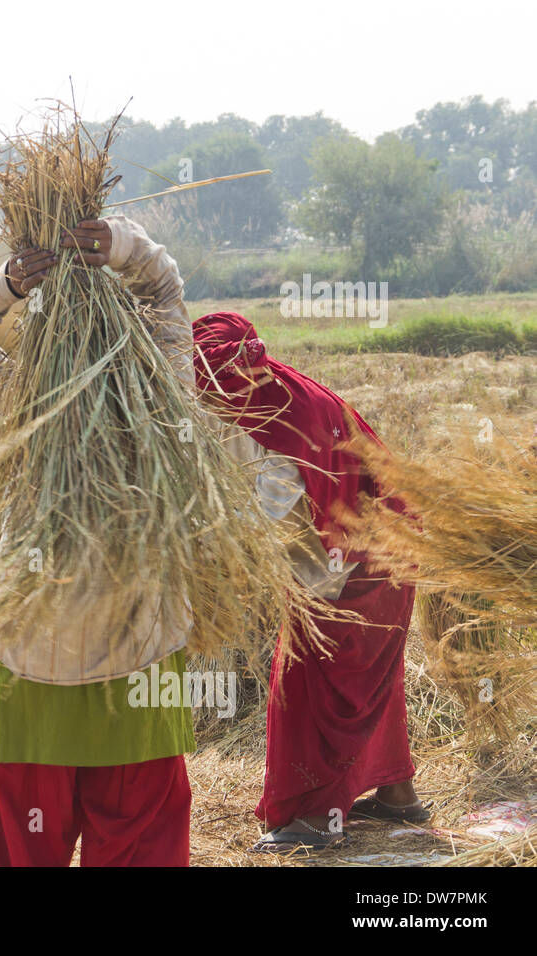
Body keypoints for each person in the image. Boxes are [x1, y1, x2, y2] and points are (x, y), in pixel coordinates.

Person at [0, 215, 198, 866]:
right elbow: (165, 295)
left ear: (40, 348)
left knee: (19, 848)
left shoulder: (19, 402)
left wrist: (5, 283)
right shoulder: (159, 394)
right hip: (141, 674)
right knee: (137, 844)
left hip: (33, 674)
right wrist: (124, 246)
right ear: (126, 342)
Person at [191, 311, 428, 852]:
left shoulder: (268, 421)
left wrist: (211, 556)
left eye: (207, 383)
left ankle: (315, 816)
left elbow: (273, 520)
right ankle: (397, 796)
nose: (203, 395)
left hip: (357, 562)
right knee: (370, 679)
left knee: (310, 684)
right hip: (386, 546)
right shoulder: (277, 389)